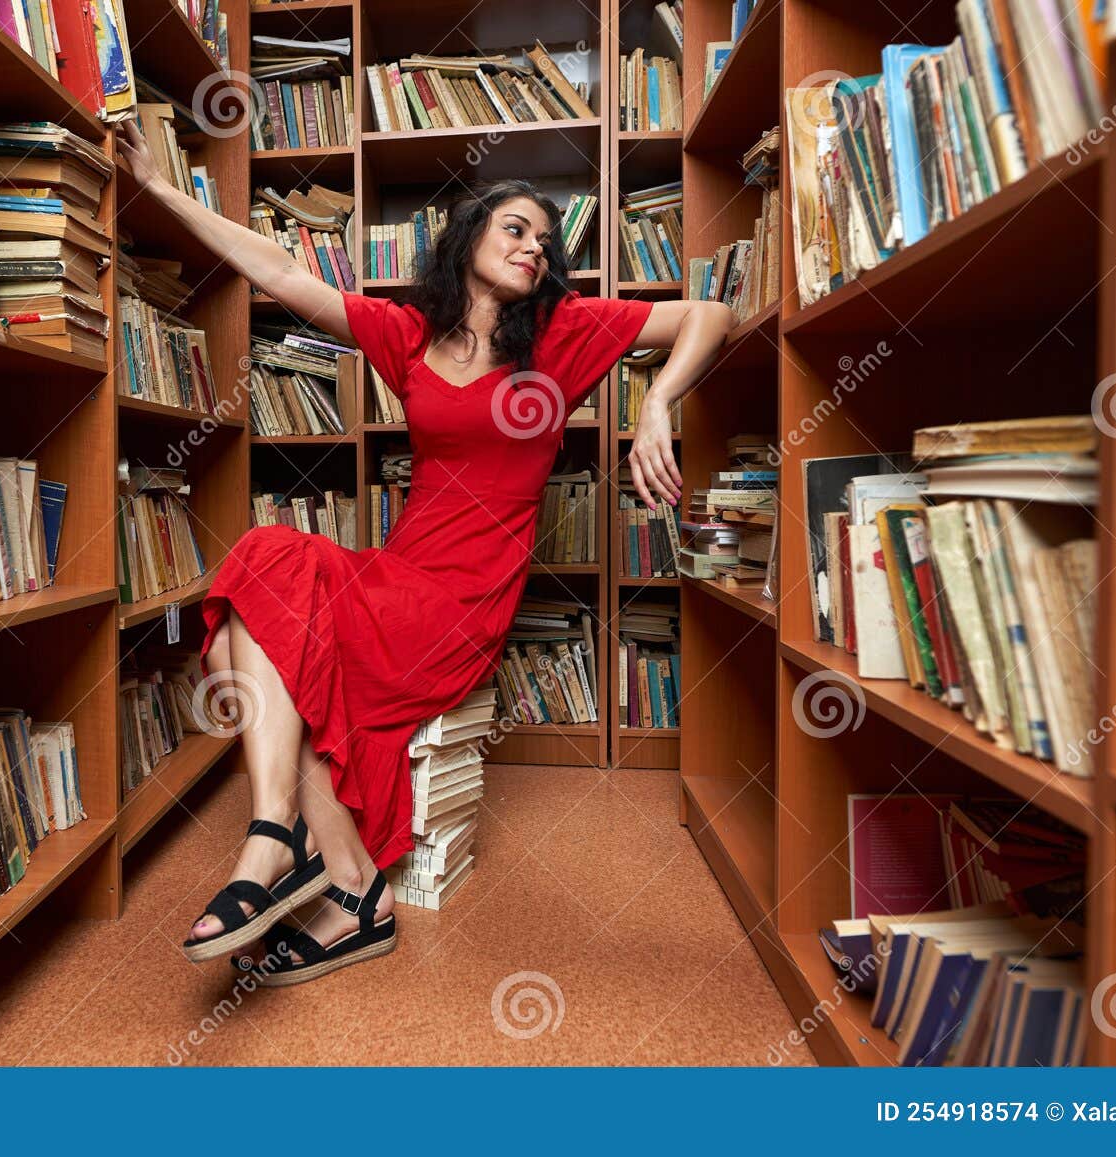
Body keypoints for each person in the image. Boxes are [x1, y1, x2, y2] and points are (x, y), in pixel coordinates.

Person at [114, 117, 734, 986]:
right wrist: (158, 191)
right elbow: (281, 271)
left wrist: (660, 401)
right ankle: (338, 877)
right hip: (398, 568)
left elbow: (713, 311)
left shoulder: (563, 333)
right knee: (250, 593)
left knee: (248, 632)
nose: (534, 248)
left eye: (546, 241)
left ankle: (301, 863)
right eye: (515, 228)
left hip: (467, 599)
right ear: (467, 237)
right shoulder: (408, 334)